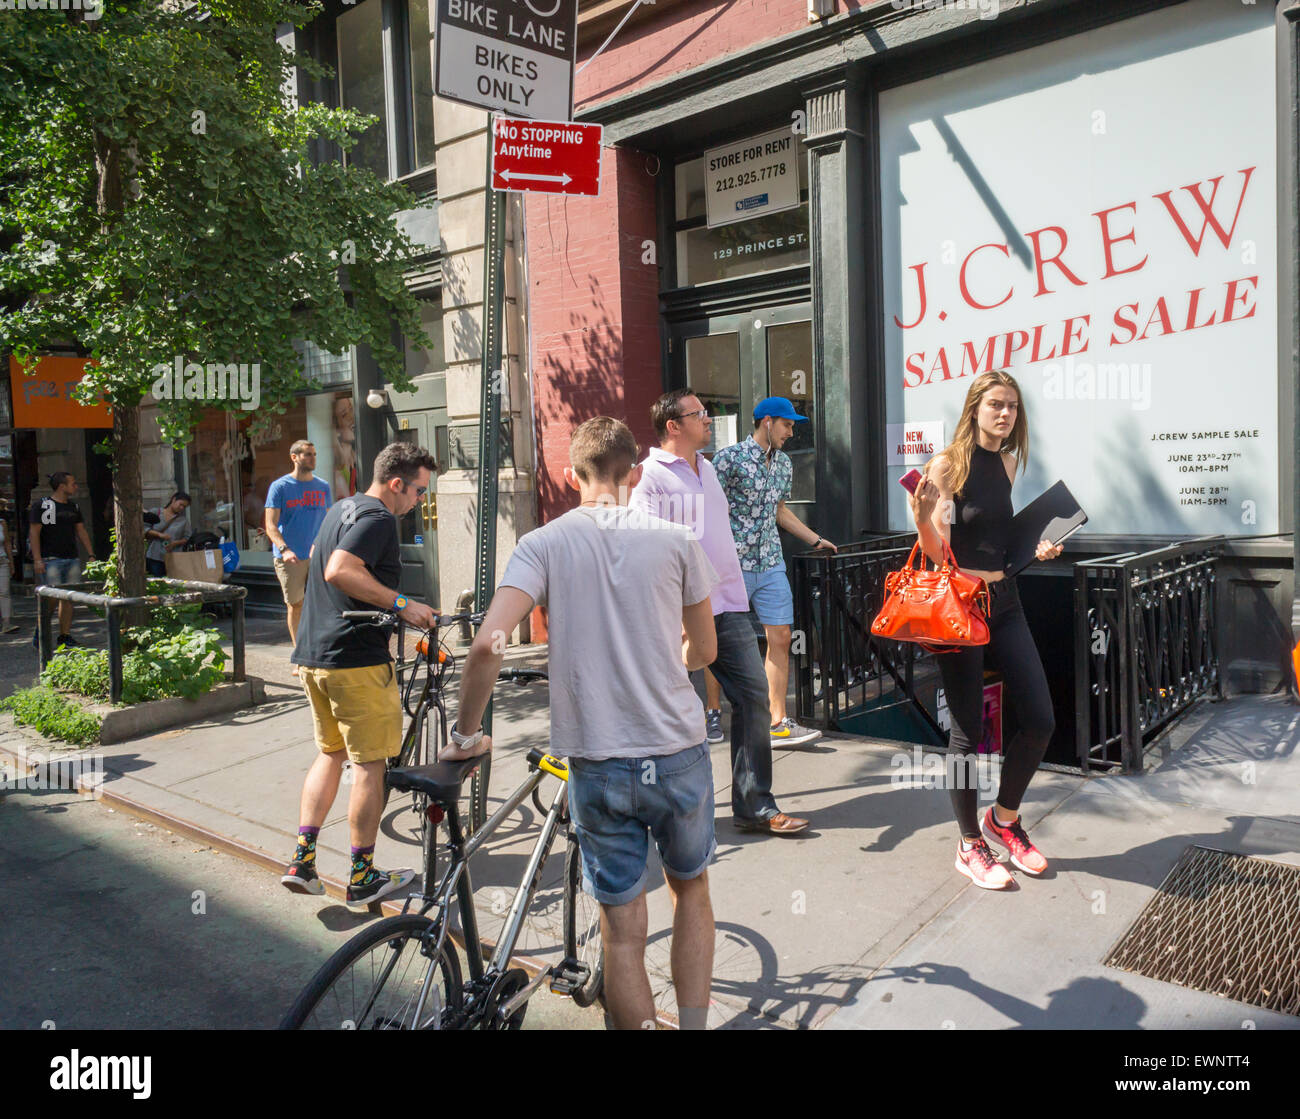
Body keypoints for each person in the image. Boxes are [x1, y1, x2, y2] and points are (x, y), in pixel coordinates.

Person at [451, 417, 720, 1029]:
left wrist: (467, 736)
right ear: (633, 474)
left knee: (621, 930)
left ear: (574, 475)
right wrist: (668, 658)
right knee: (691, 891)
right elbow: (704, 650)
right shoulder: (677, 541)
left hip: (598, 761)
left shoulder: (544, 543)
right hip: (677, 750)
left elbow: (488, 646)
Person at [632, 389, 809, 837]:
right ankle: (658, 809)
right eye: (699, 414)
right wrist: (673, 617)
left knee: (752, 698)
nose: (708, 419)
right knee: (670, 713)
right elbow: (643, 550)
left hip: (728, 605)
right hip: (680, 613)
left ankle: (754, 806)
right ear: (674, 426)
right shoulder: (649, 478)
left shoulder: (707, 468)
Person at [910, 369, 1062, 890]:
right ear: (974, 407)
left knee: (1040, 718)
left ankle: (1005, 819)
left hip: (1007, 600)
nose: (1005, 414)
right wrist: (923, 518)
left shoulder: (1009, 462)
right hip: (961, 606)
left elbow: (1001, 538)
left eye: (1013, 407)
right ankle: (969, 842)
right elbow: (938, 554)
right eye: (995, 404)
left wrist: (1039, 547)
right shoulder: (949, 465)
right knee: (967, 733)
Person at [281, 442, 439, 908]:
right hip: (356, 662)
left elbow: (319, 559)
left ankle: (303, 863)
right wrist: (405, 605)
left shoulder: (340, 509)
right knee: (370, 766)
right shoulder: (378, 518)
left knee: (330, 754)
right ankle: (363, 874)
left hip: (314, 656)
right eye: (418, 491)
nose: (418, 502)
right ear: (396, 484)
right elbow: (338, 570)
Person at [712, 397, 836, 747]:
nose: (791, 432)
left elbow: (780, 511)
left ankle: (777, 721)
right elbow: (710, 508)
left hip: (770, 562)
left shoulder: (784, 464)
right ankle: (711, 711)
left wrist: (815, 539)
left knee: (781, 636)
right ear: (767, 421)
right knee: (716, 641)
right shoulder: (728, 459)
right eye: (787, 424)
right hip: (731, 565)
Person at [265, 441, 332, 675]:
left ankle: (319, 651)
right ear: (294, 457)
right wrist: (285, 549)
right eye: (307, 455)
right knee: (296, 604)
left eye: (314, 454)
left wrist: (319, 545)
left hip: (316, 554)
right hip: (289, 557)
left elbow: (327, 522)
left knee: (321, 603)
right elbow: (270, 525)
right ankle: (300, 655)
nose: (313, 459)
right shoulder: (280, 487)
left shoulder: (323, 487)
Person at [28, 471, 95, 647]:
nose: (76, 486)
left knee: (68, 597)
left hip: (71, 557)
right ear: (61, 486)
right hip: (50, 558)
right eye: (73, 483)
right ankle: (40, 631)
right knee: (50, 598)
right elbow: (34, 532)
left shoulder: (73, 507)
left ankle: (64, 635)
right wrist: (37, 559)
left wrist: (90, 554)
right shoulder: (43, 505)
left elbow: (81, 530)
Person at [144, 491, 192, 577]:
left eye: (184, 507)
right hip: (154, 556)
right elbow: (144, 528)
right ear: (173, 500)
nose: (181, 508)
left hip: (173, 558)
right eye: (180, 504)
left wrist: (175, 543)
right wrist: (159, 535)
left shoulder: (183, 520)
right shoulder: (156, 512)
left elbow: (187, 537)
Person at [0, 499, 18, 633]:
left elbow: (7, 543)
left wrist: (11, 562)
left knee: (4, 592)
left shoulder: (2, 523)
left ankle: (6, 623)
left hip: (2, 561)